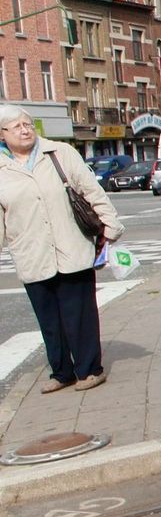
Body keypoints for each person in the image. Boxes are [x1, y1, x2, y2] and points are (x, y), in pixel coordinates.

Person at [0, 106, 123, 392]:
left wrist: (110, 226)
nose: (25, 130)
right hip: (31, 252)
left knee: (79, 314)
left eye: (27, 124)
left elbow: (91, 190)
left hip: (71, 245)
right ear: (2, 135)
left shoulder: (60, 153)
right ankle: (61, 372)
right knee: (49, 320)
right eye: (16, 126)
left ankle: (89, 370)